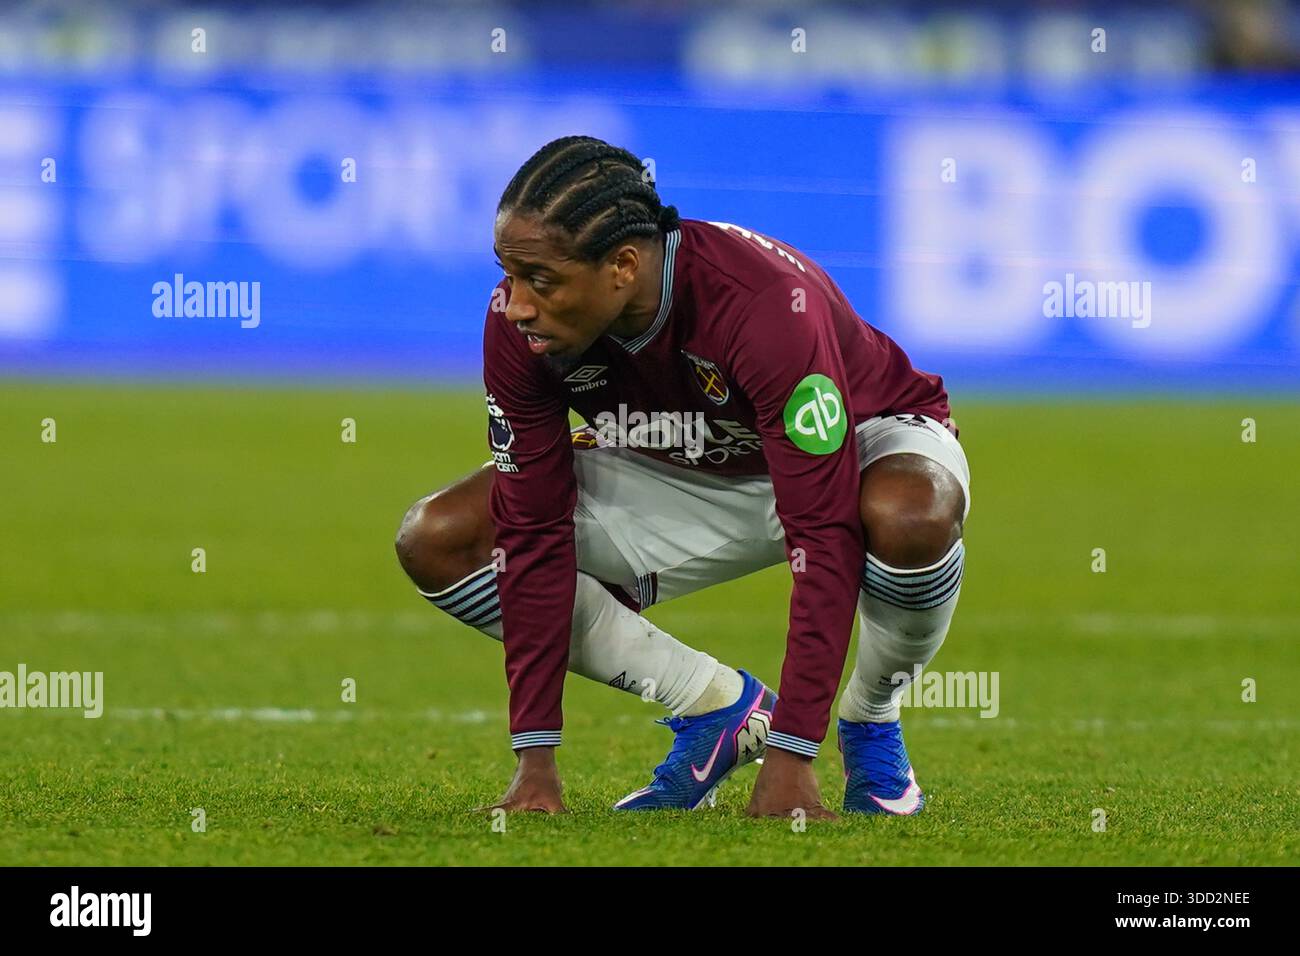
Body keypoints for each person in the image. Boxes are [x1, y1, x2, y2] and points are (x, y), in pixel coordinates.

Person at [395, 135, 970, 818]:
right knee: (442, 537)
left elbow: (821, 529)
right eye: (509, 275)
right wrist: (536, 760)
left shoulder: (762, 308)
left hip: (860, 445)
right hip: (682, 459)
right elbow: (534, 529)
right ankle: (714, 705)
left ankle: (871, 720)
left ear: (623, 265)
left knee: (911, 517)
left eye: (540, 280)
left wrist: (794, 756)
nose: (516, 304)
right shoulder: (518, 330)